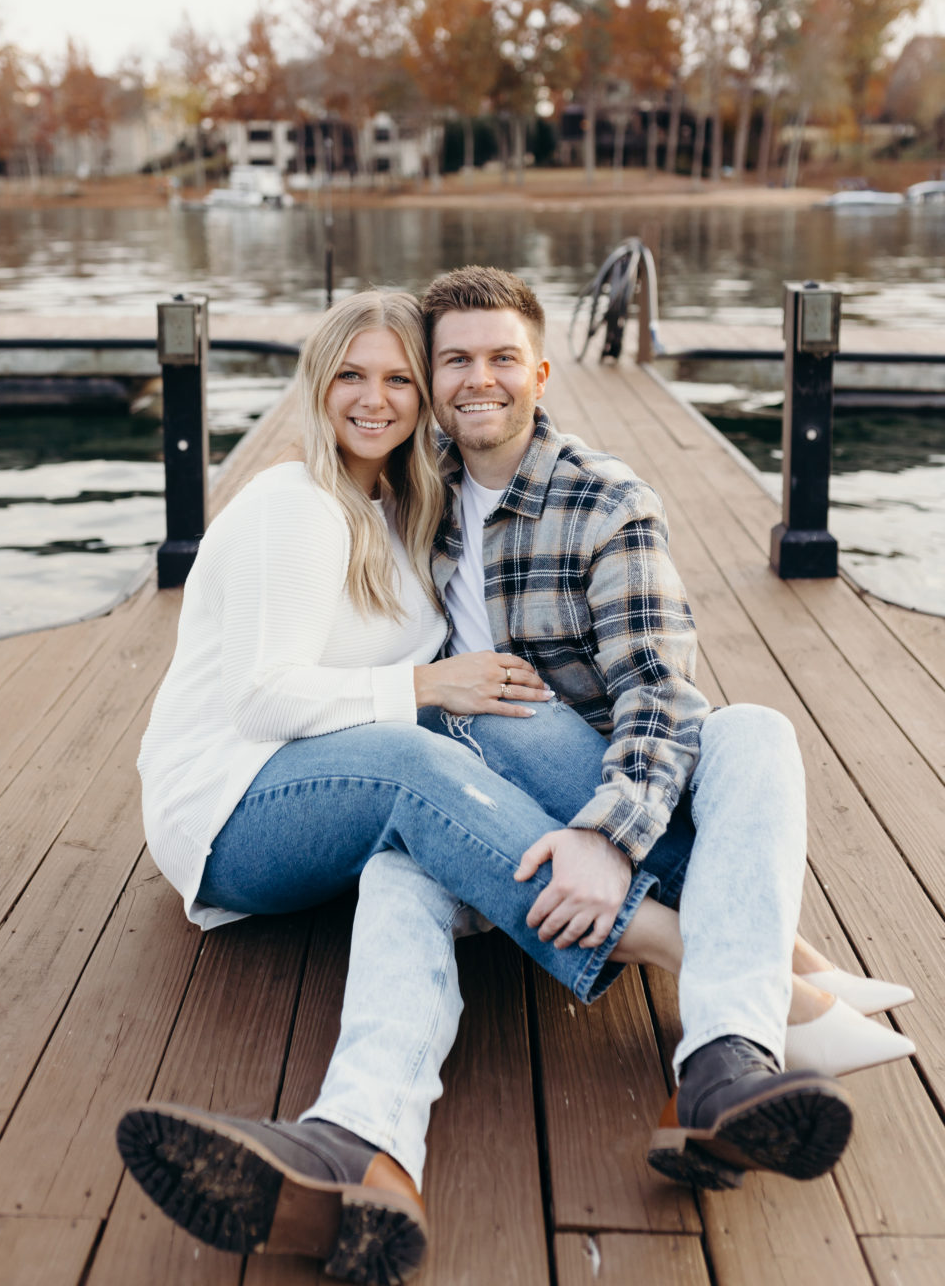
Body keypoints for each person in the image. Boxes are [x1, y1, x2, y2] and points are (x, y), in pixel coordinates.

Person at [116, 283, 903, 1282]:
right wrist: (429, 689)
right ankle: (730, 979)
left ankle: (378, 1140)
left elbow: (663, 698)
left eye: (404, 374)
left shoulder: (584, 500)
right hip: (353, 790)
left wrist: (606, 835)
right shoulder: (367, 494)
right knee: (425, 788)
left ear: (539, 371)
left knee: (746, 730)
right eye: (439, 366)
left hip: (536, 784)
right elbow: (311, 691)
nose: (399, 394)